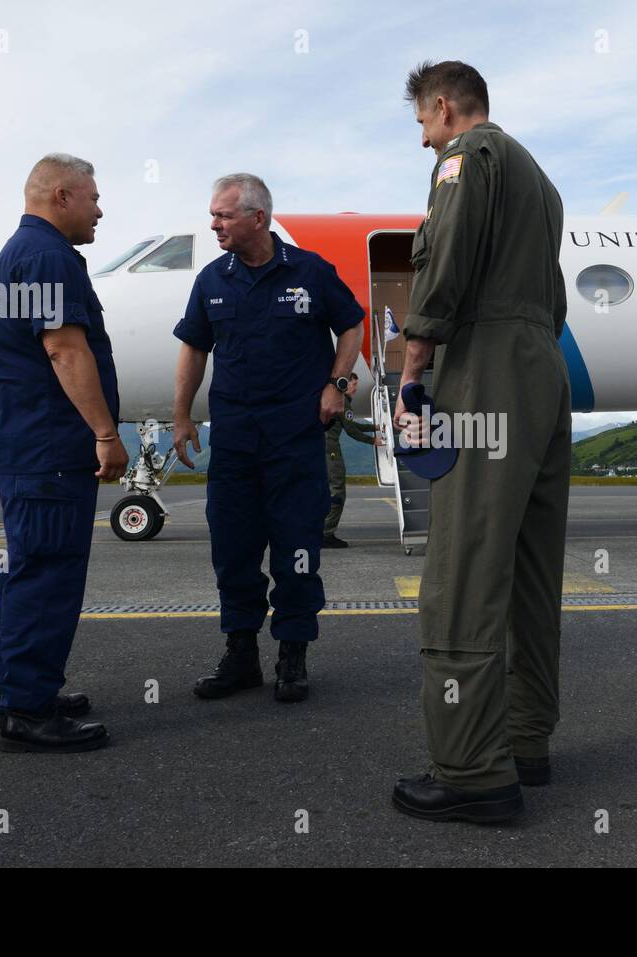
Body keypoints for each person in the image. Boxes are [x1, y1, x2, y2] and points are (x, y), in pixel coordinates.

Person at [390, 62, 571, 822]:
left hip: (487, 368)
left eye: (422, 124)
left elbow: (448, 269)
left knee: (464, 566)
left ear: (442, 106)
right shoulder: (539, 178)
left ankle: (471, 771)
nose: (423, 138)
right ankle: (525, 741)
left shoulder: (464, 161)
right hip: (541, 368)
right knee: (531, 567)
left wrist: (412, 371)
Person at [172, 174, 364, 703]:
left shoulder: (310, 272)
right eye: (213, 215)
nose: (214, 224)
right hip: (234, 439)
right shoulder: (213, 279)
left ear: (258, 217)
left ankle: (293, 655)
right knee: (232, 550)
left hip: (295, 438)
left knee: (297, 548)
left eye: (223, 216)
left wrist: (338, 384)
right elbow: (193, 348)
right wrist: (182, 416)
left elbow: (352, 324)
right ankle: (241, 656)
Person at [0, 152, 127, 753]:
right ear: (62, 196)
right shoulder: (47, 257)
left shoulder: (23, 253)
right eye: (93, 197)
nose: (100, 208)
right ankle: (28, 710)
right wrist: (106, 435)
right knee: (48, 574)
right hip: (48, 448)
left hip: (27, 444)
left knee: (28, 571)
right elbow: (65, 350)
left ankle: (20, 690)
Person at [323, 373, 383, 548]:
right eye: (354, 384)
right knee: (337, 492)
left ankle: (320, 531)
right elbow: (351, 431)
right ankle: (326, 534)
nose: (356, 388)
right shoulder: (343, 402)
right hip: (331, 452)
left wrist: (374, 427)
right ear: (345, 385)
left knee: (327, 491)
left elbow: (351, 425)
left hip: (322, 450)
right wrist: (373, 440)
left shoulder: (336, 400)